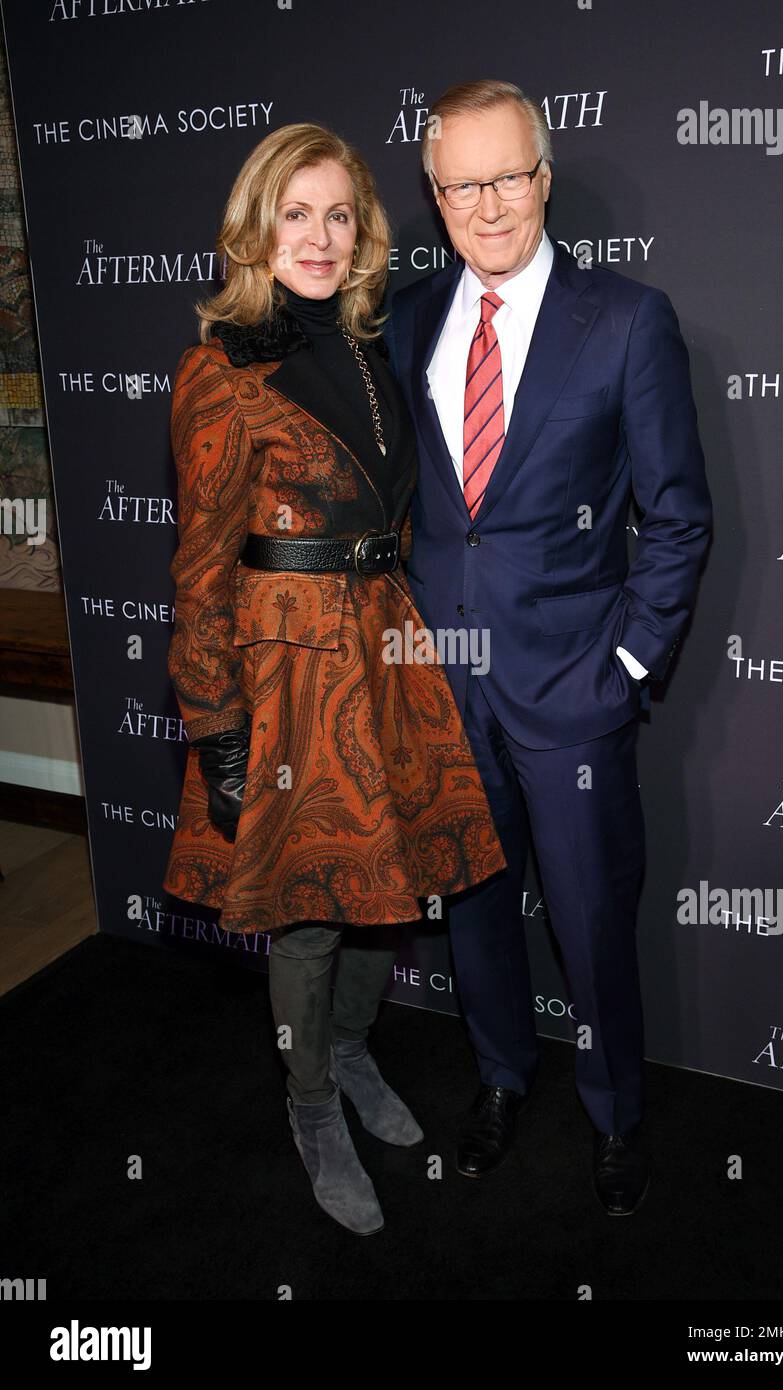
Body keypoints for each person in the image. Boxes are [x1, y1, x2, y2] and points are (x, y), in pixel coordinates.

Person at [161, 123, 506, 1235]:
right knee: (310, 916)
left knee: (384, 890)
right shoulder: (220, 371)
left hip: (383, 649)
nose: (317, 236)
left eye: (338, 213)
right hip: (285, 671)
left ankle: (351, 1055)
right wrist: (215, 721)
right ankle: (310, 1107)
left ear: (362, 232)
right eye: (293, 214)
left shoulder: (372, 348)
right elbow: (202, 566)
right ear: (255, 230)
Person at [383, 79, 713, 1215]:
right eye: (461, 183)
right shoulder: (408, 319)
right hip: (442, 684)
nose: (486, 205)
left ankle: (614, 1114)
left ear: (543, 177)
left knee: (586, 916)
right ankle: (498, 1075)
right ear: (433, 194)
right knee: (474, 906)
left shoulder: (625, 321)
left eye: (506, 176)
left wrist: (623, 667)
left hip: (572, 686)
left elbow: (675, 515)